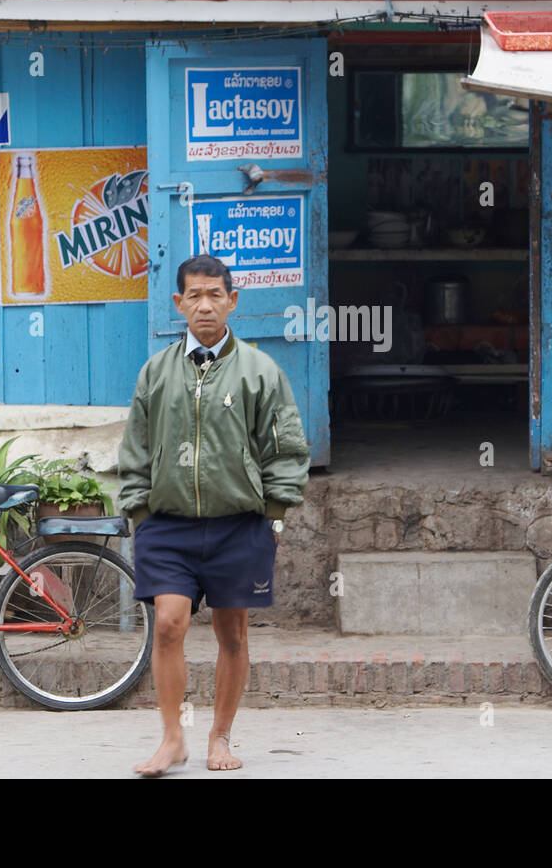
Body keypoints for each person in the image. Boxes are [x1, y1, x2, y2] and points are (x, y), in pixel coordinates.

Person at [118, 254, 311, 776]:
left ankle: (220, 737)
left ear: (232, 301)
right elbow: (135, 449)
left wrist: (274, 517)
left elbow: (287, 448)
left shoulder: (260, 371)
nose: (205, 306)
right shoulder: (156, 372)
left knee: (232, 634)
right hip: (168, 523)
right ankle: (171, 738)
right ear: (178, 304)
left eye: (215, 295)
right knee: (167, 624)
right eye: (194, 296)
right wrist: (139, 514)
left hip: (239, 525)